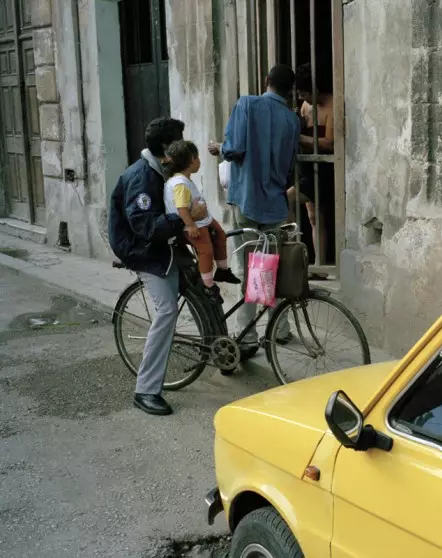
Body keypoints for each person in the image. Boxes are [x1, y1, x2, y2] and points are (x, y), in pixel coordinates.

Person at [208, 64, 301, 358]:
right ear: (291, 91)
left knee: (248, 270)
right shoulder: (292, 120)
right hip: (274, 204)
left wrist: (218, 148)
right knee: (273, 265)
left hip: (247, 199)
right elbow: (289, 167)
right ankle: (280, 329)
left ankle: (246, 336)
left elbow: (235, 149)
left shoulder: (247, 103)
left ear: (266, 81)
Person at [108, 117, 187, 416]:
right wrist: (184, 218)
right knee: (167, 311)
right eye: (179, 140)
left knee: (206, 285)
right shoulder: (142, 177)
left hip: (164, 244)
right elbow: (145, 227)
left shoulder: (165, 170)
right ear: (167, 146)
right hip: (142, 250)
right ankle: (146, 390)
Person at [162, 140, 240, 302]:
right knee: (206, 251)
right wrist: (190, 225)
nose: (199, 161)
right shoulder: (180, 184)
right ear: (191, 160)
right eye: (197, 157)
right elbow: (181, 208)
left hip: (203, 220)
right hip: (194, 225)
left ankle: (223, 270)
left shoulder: (183, 180)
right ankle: (209, 286)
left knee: (220, 234)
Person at [288, 62, 335, 269]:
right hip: (308, 165)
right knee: (314, 216)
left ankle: (305, 258)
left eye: (304, 93)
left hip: (325, 167)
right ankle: (317, 263)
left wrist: (298, 137)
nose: (301, 99)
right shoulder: (306, 106)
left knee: (285, 199)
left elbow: (330, 143)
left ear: (316, 90)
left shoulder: (333, 105)